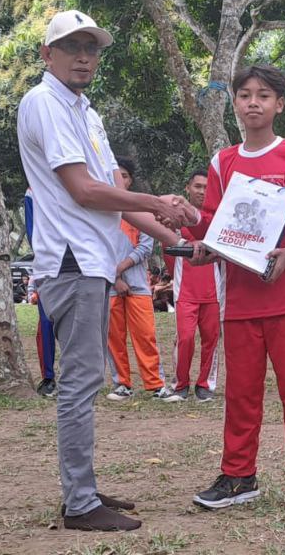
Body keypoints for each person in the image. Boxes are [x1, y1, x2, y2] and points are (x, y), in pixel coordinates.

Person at [16, 9, 197, 532]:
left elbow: (113, 198)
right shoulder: (44, 102)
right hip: (72, 259)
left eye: (91, 47)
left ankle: (85, 489)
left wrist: (180, 243)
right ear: (47, 54)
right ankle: (79, 504)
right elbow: (84, 191)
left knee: (87, 378)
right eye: (72, 46)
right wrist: (159, 202)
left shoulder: (86, 112)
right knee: (80, 381)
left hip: (92, 259)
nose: (83, 57)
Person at [185, 64, 285, 515]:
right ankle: (238, 477)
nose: (253, 102)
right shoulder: (222, 162)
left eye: (263, 95)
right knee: (241, 394)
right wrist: (195, 234)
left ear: (279, 104)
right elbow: (214, 226)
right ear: (234, 102)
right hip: (239, 300)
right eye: (245, 94)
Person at [106, 156, 176, 402]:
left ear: (130, 180)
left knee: (145, 335)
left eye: (124, 176)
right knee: (114, 337)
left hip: (137, 284)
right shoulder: (101, 210)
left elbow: (146, 247)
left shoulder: (140, 209)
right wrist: (114, 278)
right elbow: (97, 247)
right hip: (110, 286)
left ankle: (155, 384)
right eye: (116, 175)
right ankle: (121, 384)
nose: (119, 180)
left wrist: (120, 269)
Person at [166, 169, 221, 403]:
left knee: (211, 339)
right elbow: (168, 251)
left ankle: (205, 385)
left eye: (206, 187)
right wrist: (174, 278)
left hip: (214, 290)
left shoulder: (218, 218)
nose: (202, 191)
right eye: (197, 186)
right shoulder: (177, 218)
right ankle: (180, 385)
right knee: (186, 338)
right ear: (187, 188)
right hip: (185, 290)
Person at [24, 187, 57, 398]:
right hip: (48, 267)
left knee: (77, 324)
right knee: (46, 323)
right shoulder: (33, 191)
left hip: (79, 264)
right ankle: (48, 378)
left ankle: (78, 375)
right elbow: (32, 232)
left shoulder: (78, 181)